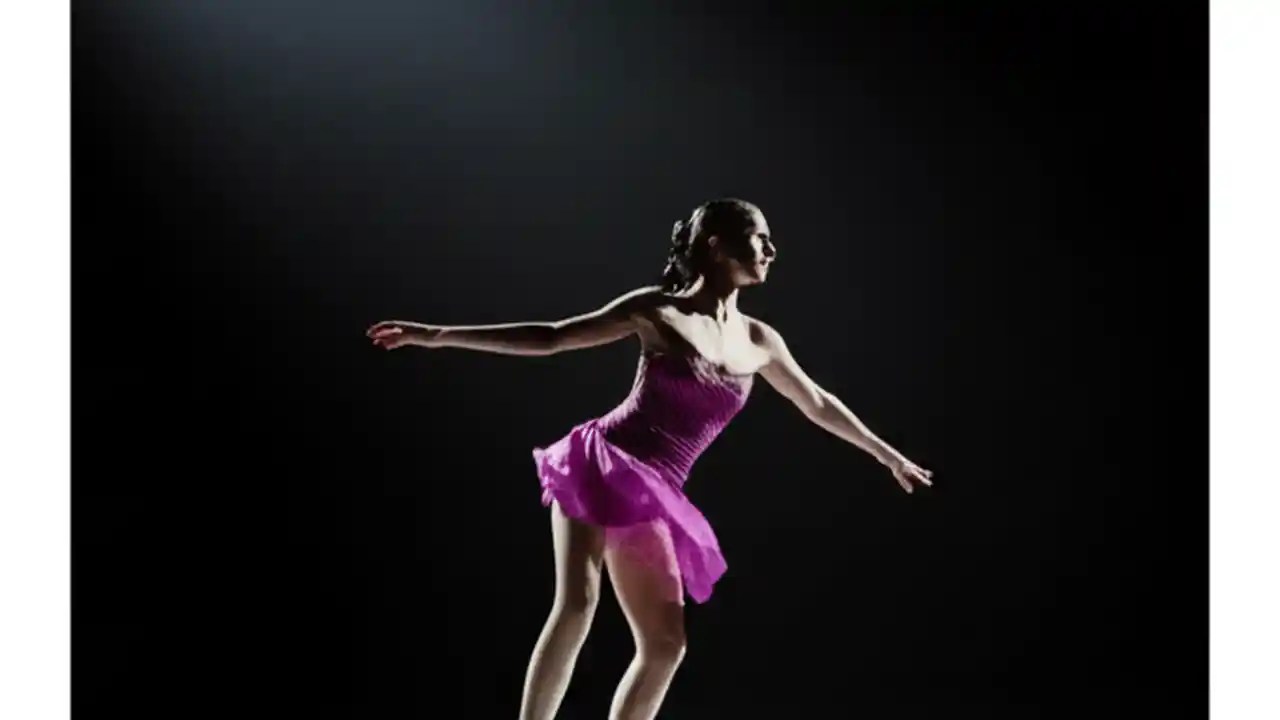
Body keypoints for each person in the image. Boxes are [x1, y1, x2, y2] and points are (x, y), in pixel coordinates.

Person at [366, 198, 933, 720]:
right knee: (577, 605)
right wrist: (435, 335)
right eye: (759, 237)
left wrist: (888, 456)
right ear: (715, 243)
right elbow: (553, 337)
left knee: (665, 645)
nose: (770, 250)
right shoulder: (656, 311)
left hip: (655, 492)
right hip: (602, 460)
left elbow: (817, 402)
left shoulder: (760, 340)